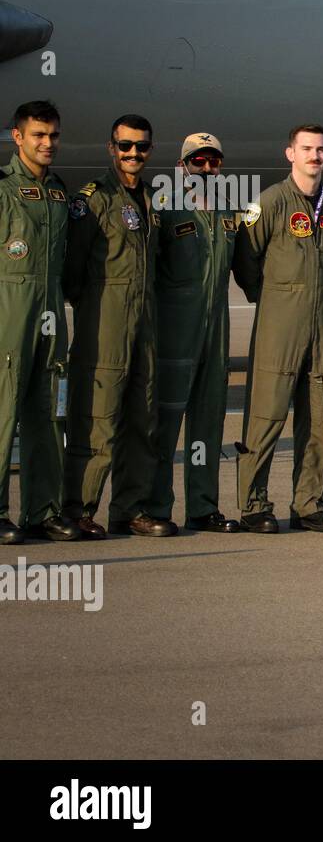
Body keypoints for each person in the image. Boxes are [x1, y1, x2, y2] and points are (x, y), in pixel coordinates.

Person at [232, 124, 323, 534]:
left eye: (320, 149)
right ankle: (254, 506)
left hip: (320, 323)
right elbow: (246, 260)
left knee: (319, 416)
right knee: (266, 415)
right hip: (279, 323)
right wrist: (271, 299)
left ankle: (310, 504)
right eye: (306, 148)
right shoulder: (269, 202)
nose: (314, 156)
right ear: (290, 154)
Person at [63, 114, 174, 538]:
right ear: (111, 148)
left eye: (141, 146)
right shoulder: (93, 199)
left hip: (144, 325)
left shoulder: (151, 200)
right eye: (125, 145)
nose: (133, 153)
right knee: (98, 419)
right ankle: (79, 509)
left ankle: (130, 510)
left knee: (142, 419)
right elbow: (73, 272)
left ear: (150, 150)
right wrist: (99, 309)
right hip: (105, 323)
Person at [143, 133, 240, 533]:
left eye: (213, 161)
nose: (206, 168)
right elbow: (147, 271)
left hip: (215, 334)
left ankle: (202, 507)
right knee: (164, 423)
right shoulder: (163, 207)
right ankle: (155, 507)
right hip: (175, 331)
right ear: (181, 166)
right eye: (197, 160)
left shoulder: (227, 209)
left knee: (207, 422)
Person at [0, 101, 79, 544]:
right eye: (38, 135)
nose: (48, 143)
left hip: (50, 308)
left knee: (50, 410)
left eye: (53, 135)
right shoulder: (3, 188)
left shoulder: (59, 192)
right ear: (18, 137)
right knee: (3, 411)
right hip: (10, 307)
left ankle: (42, 511)